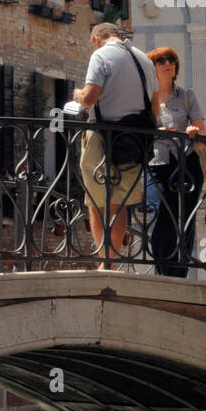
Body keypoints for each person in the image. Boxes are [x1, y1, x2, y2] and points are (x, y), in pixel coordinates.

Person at [73, 23, 159, 267]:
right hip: (135, 140)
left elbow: (89, 99)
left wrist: (78, 95)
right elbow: (154, 109)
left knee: (97, 201)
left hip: (102, 138)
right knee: (119, 203)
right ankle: (113, 259)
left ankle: (104, 262)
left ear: (96, 38)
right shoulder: (144, 59)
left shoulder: (100, 55)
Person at [145, 47, 206, 277]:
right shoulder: (146, 99)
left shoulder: (186, 95)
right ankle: (163, 273)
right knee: (161, 216)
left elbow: (201, 128)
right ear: (153, 68)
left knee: (186, 220)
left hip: (187, 164)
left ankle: (179, 274)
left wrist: (192, 129)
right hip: (157, 165)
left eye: (171, 59)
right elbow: (140, 130)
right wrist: (159, 131)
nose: (167, 63)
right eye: (161, 60)